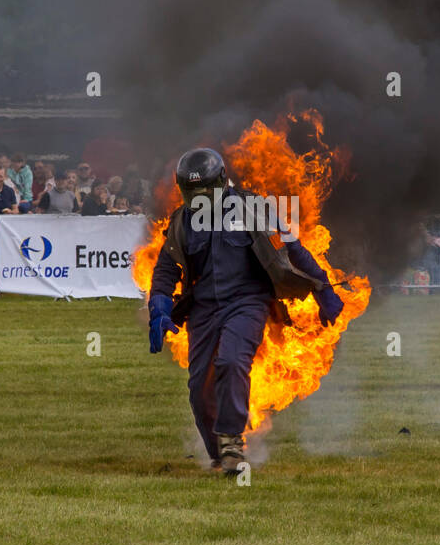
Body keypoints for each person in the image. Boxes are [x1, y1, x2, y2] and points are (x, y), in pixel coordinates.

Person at [147, 147, 344, 476]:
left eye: (204, 191)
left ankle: (232, 445)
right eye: (191, 192)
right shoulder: (182, 221)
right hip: (203, 310)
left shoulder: (254, 208)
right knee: (199, 388)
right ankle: (217, 454)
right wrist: (160, 307)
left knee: (231, 361)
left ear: (222, 181)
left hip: (247, 303)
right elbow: (166, 271)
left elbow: (292, 248)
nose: (198, 199)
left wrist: (323, 287)